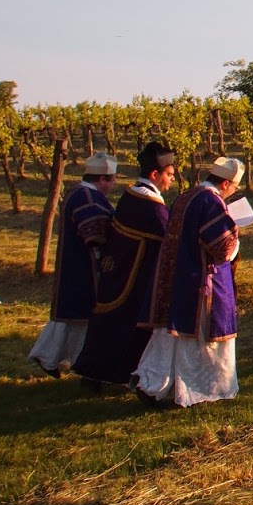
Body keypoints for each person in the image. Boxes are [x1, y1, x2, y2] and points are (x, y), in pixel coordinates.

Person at [132, 157, 245, 407]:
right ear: (226, 183)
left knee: (172, 338)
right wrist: (237, 239)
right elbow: (223, 248)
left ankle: (156, 385)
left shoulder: (186, 195)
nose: (232, 193)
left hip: (178, 276)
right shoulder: (210, 201)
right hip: (203, 282)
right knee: (203, 339)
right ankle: (203, 389)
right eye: (234, 188)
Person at [74, 142, 176, 389]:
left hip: (119, 270)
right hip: (134, 278)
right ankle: (116, 375)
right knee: (123, 328)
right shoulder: (151, 206)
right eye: (170, 175)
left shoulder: (132, 194)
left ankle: (94, 374)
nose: (172, 181)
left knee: (108, 325)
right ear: (155, 174)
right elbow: (169, 239)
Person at [28, 152, 118, 377]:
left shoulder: (77, 192)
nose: (113, 185)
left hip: (75, 261)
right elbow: (96, 233)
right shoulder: (87, 197)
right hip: (83, 265)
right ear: (103, 179)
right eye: (113, 180)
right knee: (78, 317)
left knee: (72, 320)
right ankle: (55, 358)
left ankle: (56, 358)